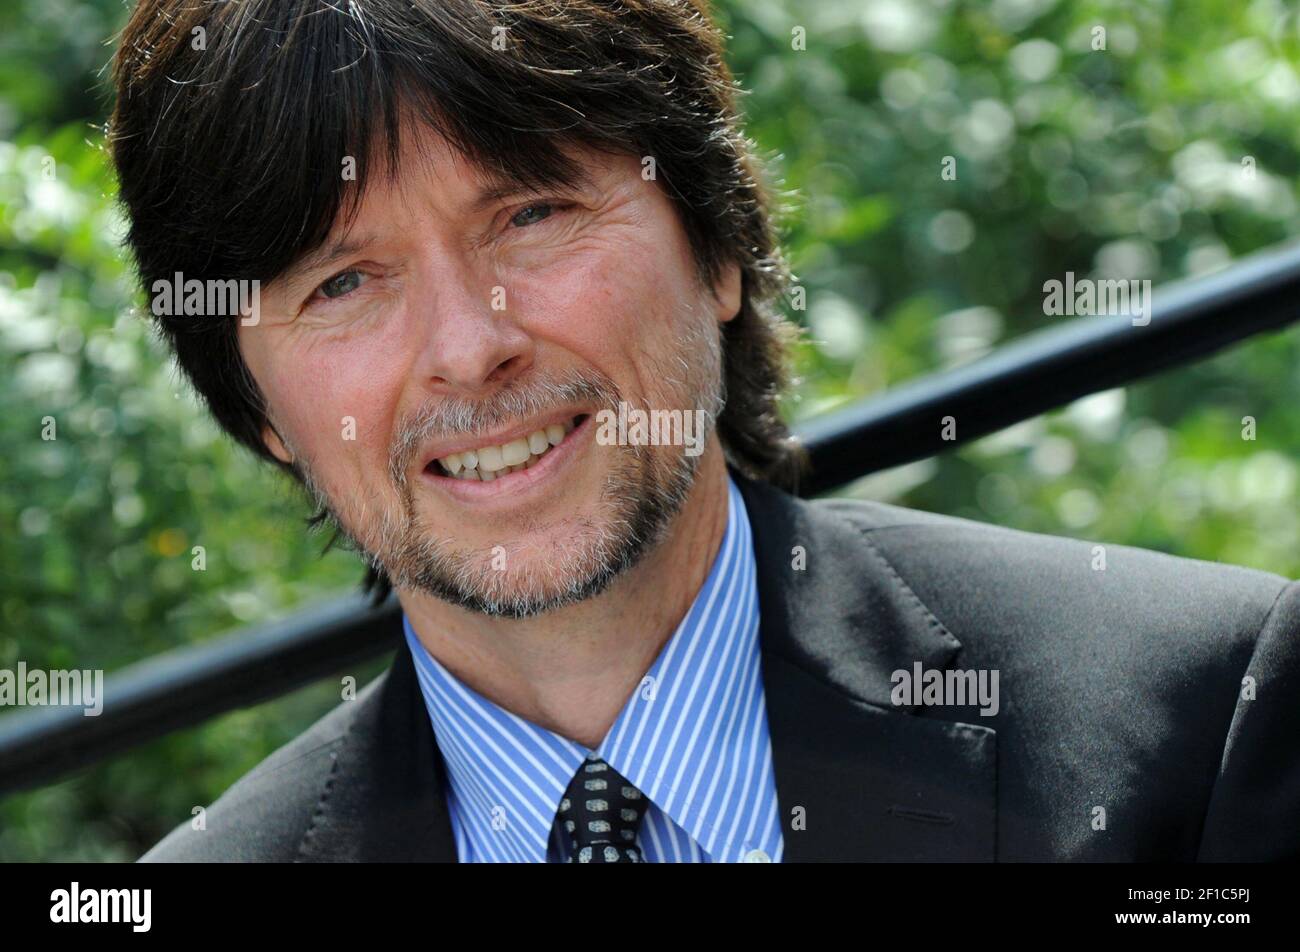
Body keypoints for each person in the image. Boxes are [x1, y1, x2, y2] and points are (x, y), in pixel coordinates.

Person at [111, 0, 1298, 862]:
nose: (468, 346)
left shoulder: (1194, 722)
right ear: (258, 407)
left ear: (718, 245)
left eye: (531, 214)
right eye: (342, 285)